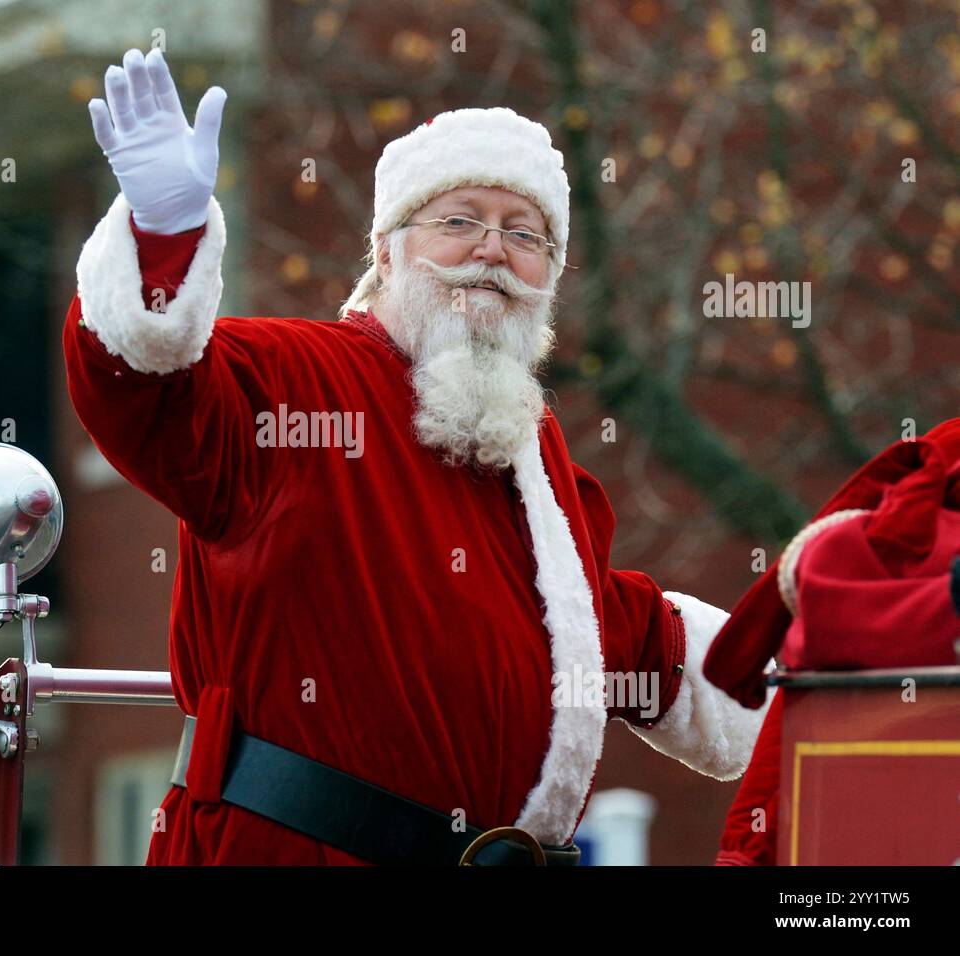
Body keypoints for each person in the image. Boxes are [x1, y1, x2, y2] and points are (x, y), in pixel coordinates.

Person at [64, 46, 772, 865]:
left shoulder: (530, 457)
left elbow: (614, 632)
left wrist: (834, 663)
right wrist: (163, 242)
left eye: (525, 234)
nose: (493, 251)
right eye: (458, 220)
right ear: (389, 251)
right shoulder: (289, 378)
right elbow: (141, 392)